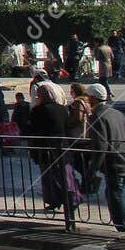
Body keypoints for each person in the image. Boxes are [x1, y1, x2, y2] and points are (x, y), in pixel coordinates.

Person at [85, 86, 125, 233]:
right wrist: (124, 148)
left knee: (115, 197)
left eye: (88, 98)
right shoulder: (116, 112)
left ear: (93, 99)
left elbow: (100, 147)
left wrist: (92, 170)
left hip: (113, 163)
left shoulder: (97, 116)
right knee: (117, 194)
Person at [25, 83, 78, 212]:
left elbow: (33, 129)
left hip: (46, 147)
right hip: (62, 146)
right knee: (65, 174)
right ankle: (71, 200)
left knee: (49, 175)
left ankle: (56, 200)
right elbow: (67, 127)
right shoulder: (62, 109)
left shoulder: (38, 111)